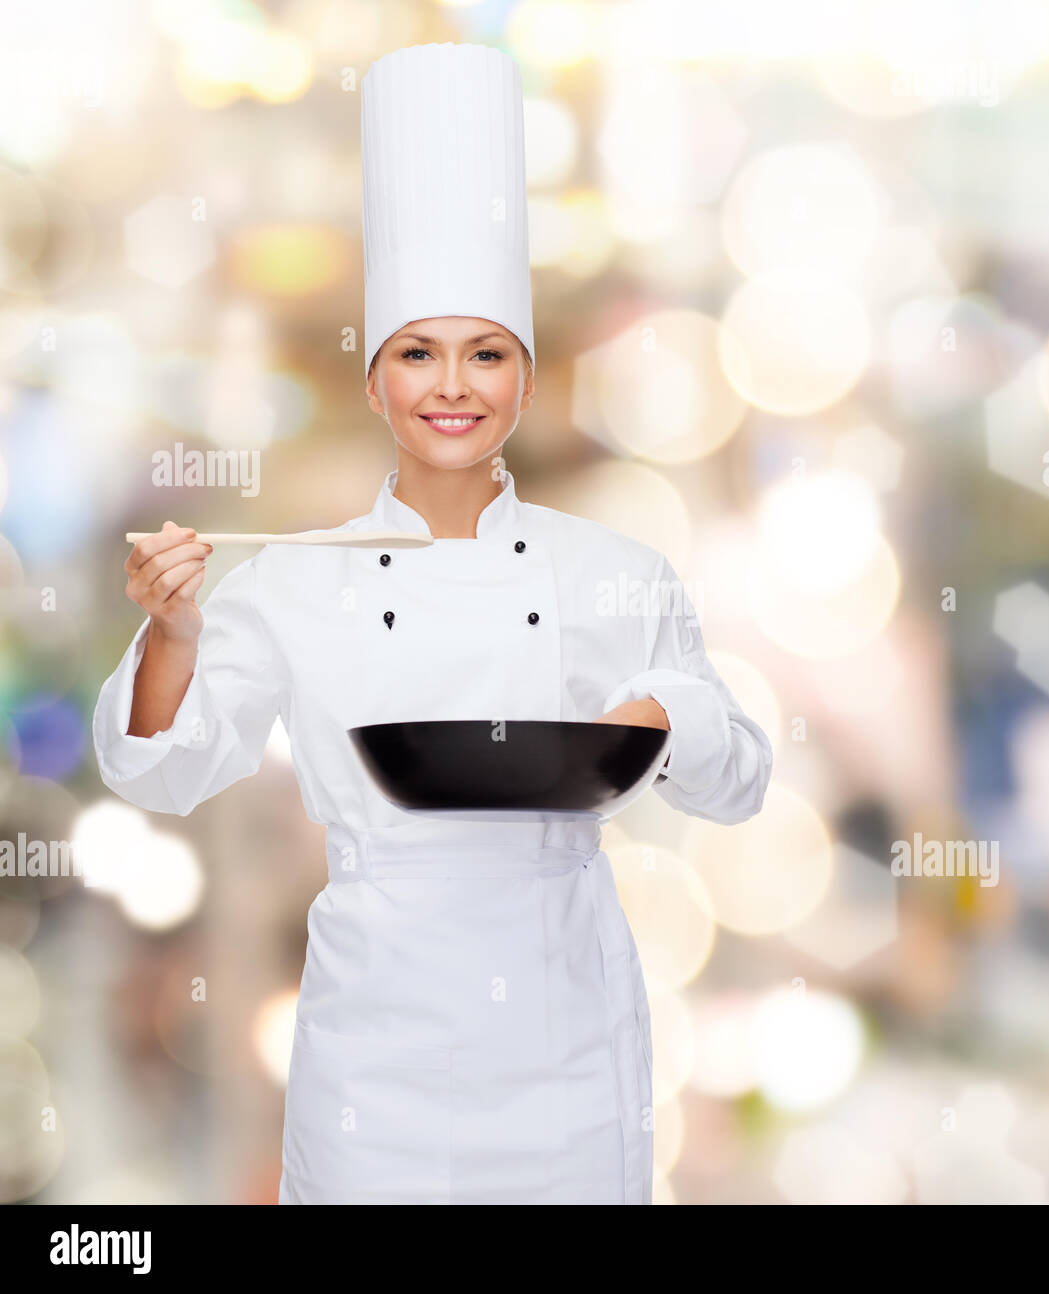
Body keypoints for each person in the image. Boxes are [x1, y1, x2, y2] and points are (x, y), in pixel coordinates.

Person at [92, 42, 772, 1205]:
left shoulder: (613, 567)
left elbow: (741, 781)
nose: (451, 386)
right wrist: (172, 632)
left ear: (522, 372)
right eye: (418, 352)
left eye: (485, 354)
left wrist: (668, 716)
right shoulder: (295, 580)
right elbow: (160, 772)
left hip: (563, 1040)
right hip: (378, 1053)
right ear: (373, 381)